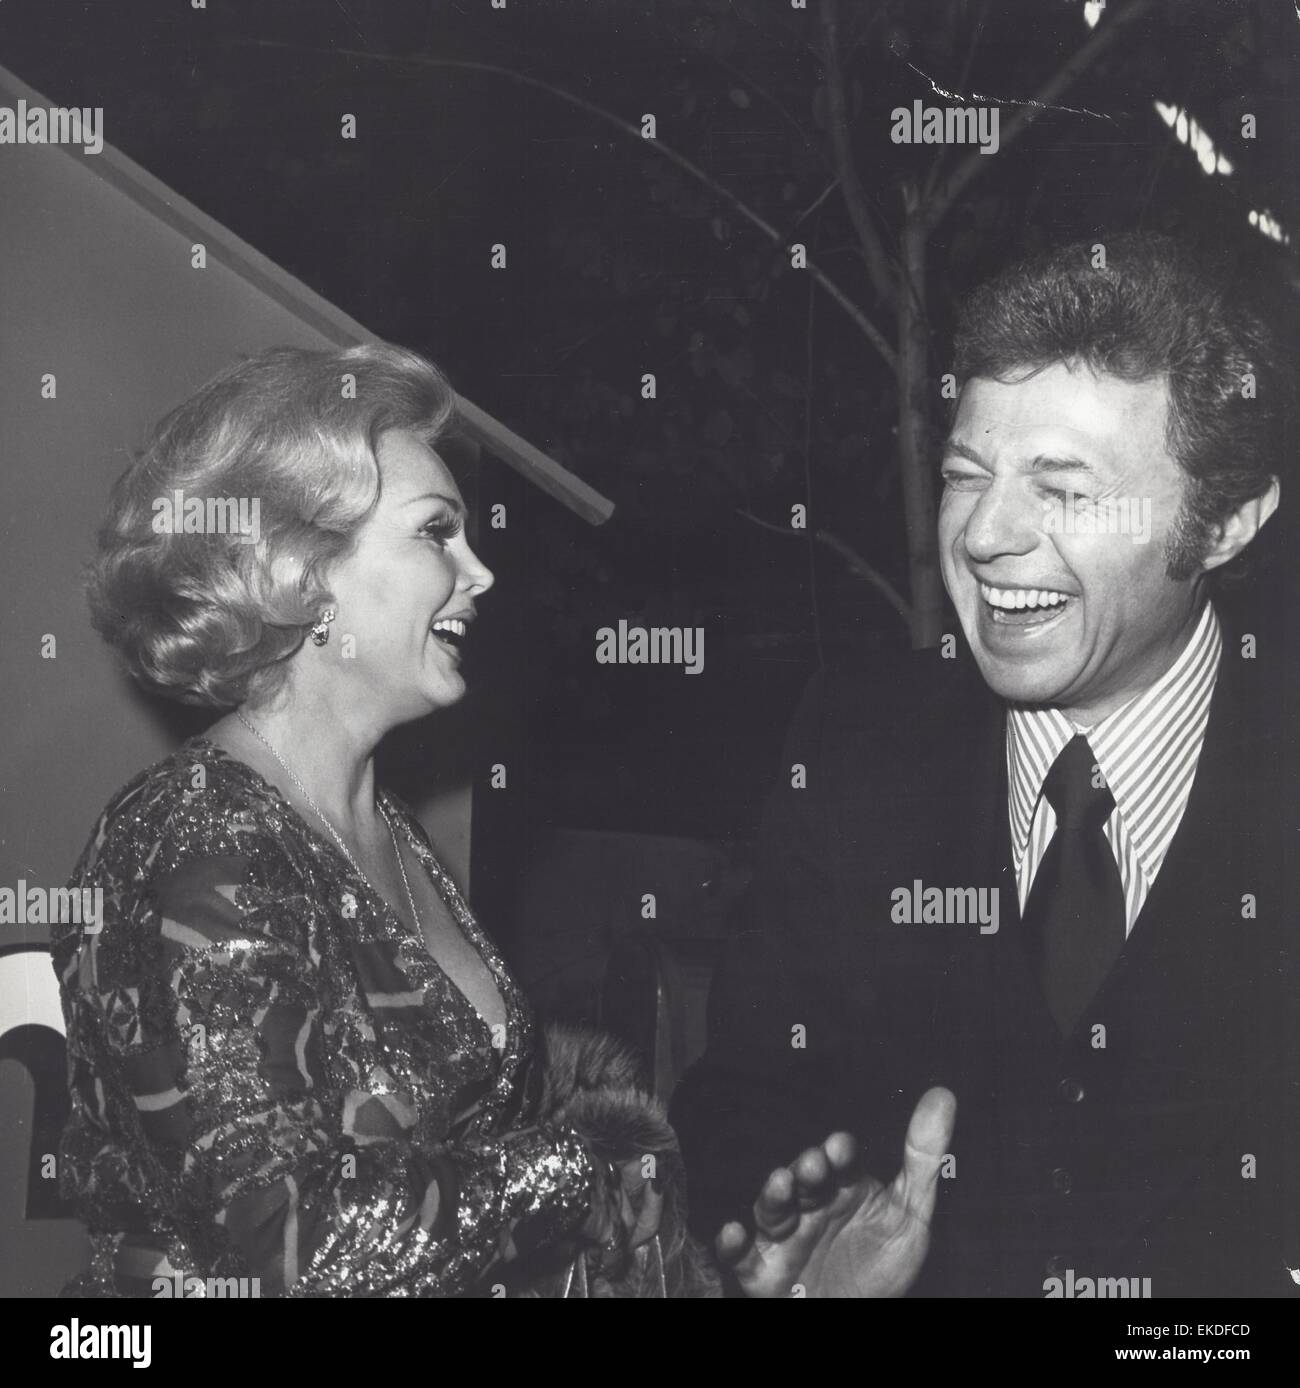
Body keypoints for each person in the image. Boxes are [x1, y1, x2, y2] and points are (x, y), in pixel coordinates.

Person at [53, 341, 954, 1298]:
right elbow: (296, 1249)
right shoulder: (188, 842)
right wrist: (595, 1171)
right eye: (435, 533)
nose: (480, 573)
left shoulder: (387, 828)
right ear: (297, 572)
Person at [672, 233, 1298, 1297]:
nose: (984, 535)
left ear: (1225, 522)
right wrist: (781, 1239)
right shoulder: (853, 743)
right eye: (967, 474)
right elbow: (738, 1094)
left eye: (1062, 488)